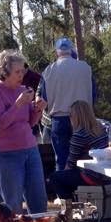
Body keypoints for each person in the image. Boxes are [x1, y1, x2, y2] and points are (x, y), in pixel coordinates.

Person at [0, 50, 62, 222]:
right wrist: (18, 104)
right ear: (5, 71)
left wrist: (38, 109)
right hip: (6, 153)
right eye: (17, 72)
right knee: (13, 203)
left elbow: (29, 122)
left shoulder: (23, 90)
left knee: (38, 197)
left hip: (30, 149)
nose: (22, 75)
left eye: (23, 71)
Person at [39, 38, 95, 171]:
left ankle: (63, 183)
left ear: (57, 52)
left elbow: (43, 99)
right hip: (83, 118)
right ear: (72, 50)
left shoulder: (49, 70)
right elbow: (94, 93)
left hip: (59, 119)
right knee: (84, 159)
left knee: (62, 159)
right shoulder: (85, 68)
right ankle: (82, 184)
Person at [47, 100, 111, 200]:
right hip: (105, 174)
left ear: (76, 117)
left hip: (91, 176)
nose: (69, 118)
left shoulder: (79, 135)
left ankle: (70, 204)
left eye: (70, 115)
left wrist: (63, 174)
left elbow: (71, 163)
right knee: (69, 176)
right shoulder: (101, 128)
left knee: (55, 178)